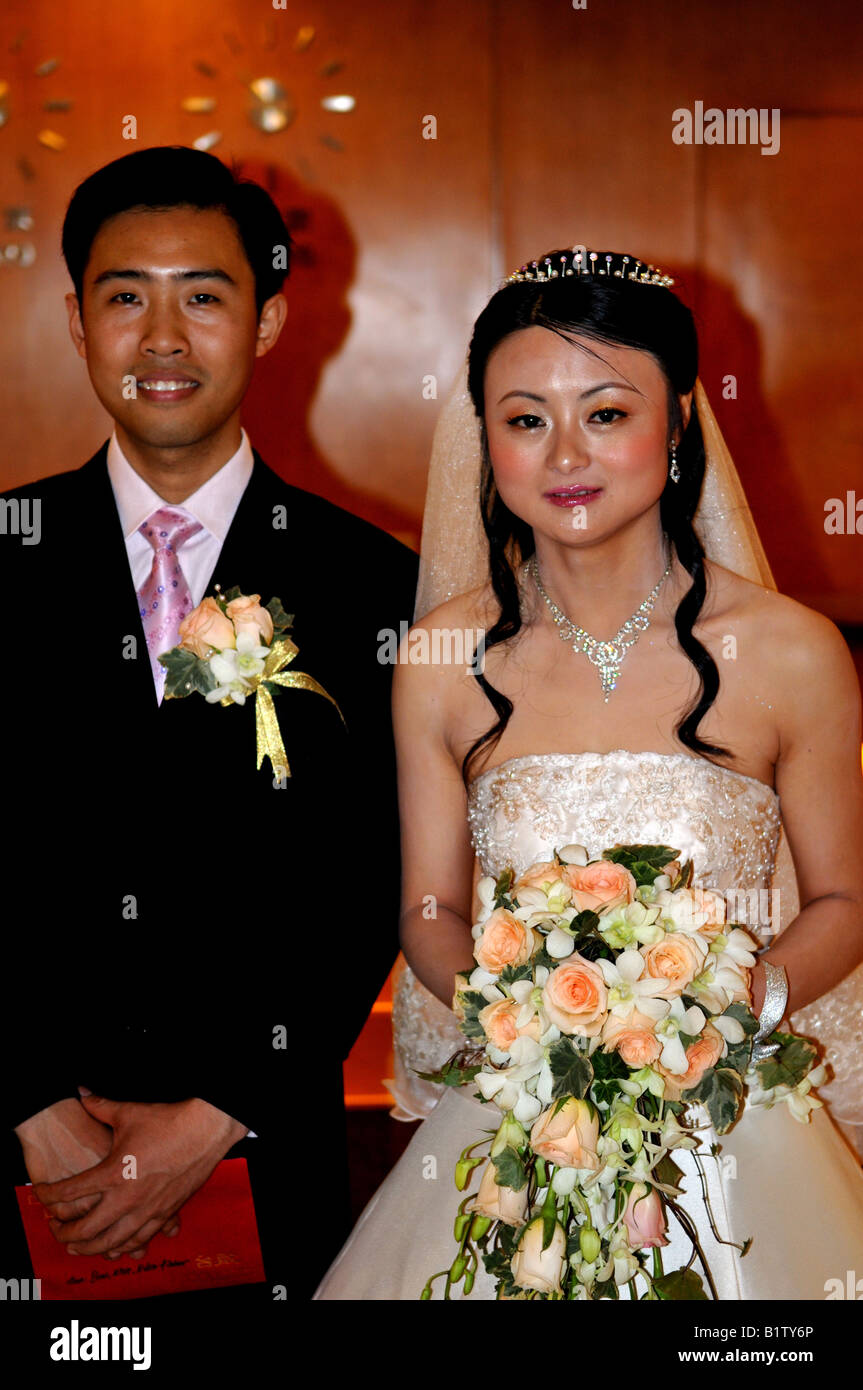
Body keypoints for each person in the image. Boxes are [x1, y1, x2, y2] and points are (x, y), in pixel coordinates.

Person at [315, 246, 863, 1300]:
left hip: (733, 1120)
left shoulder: (792, 652)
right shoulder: (440, 660)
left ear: (678, 425)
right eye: (524, 419)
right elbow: (428, 907)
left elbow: (841, 898)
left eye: (605, 412)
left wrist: (731, 998)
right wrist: (515, 1008)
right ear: (484, 439)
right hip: (526, 1119)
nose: (564, 451)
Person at [0, 145, 418, 1303]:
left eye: (205, 296)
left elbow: (377, 868)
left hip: (260, 1155)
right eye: (126, 296)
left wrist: (216, 1115)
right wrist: (31, 1102)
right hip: (24, 1160)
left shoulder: (377, 587)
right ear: (77, 321)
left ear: (272, 320)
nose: (164, 336)